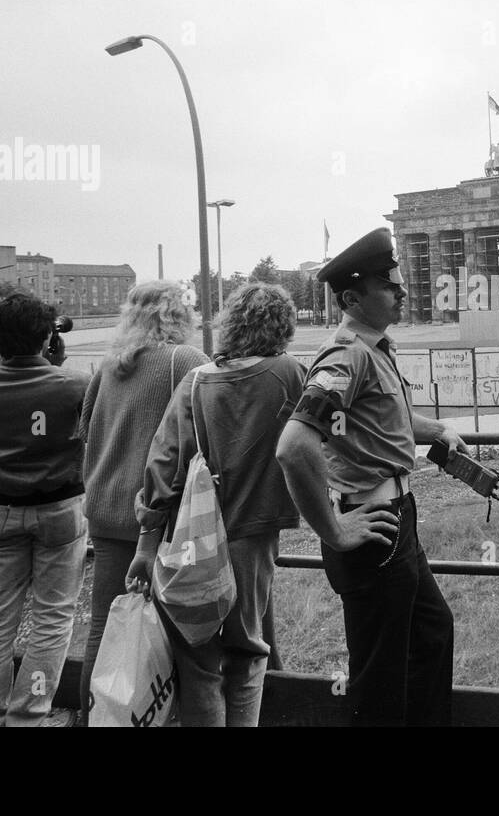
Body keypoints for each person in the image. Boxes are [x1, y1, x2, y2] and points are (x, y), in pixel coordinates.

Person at [276, 227, 467, 726]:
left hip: (397, 518)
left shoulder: (376, 348)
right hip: (372, 525)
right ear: (351, 298)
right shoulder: (346, 357)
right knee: (380, 675)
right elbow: (294, 448)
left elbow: (389, 421)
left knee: (431, 632)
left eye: (399, 282)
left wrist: (439, 430)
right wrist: (334, 533)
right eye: (389, 285)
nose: (401, 291)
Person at [127, 282, 304, 727]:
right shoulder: (288, 374)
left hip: (192, 536)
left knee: (199, 656)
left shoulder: (196, 380)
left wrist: (146, 546)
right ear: (283, 325)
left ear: (230, 323)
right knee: (245, 652)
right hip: (254, 534)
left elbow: (163, 463)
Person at [0, 295, 90, 726]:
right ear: (48, 336)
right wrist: (57, 362)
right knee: (52, 618)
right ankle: (28, 718)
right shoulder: (75, 386)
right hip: (60, 508)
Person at [76, 281, 208, 723]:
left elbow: (84, 431)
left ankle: (93, 716)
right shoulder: (184, 360)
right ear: (177, 315)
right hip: (158, 517)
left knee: (107, 627)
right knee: (181, 632)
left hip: (105, 509)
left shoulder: (109, 367)